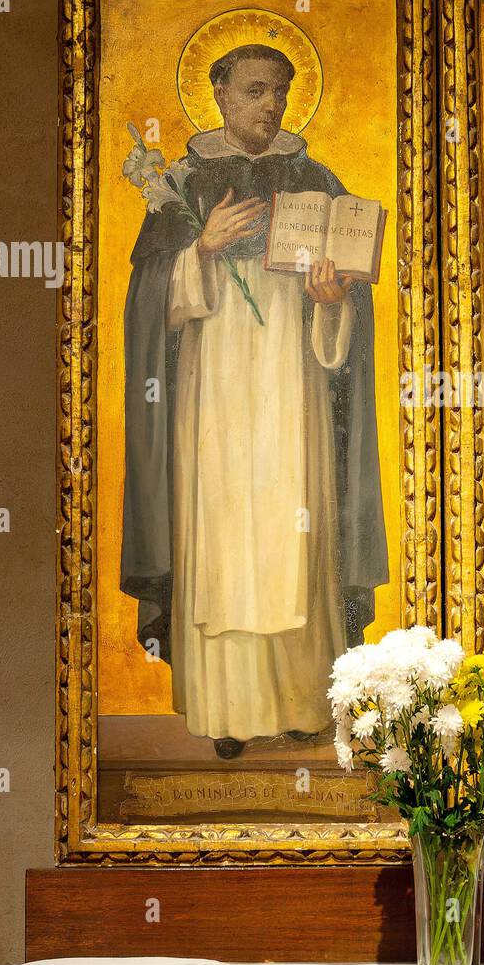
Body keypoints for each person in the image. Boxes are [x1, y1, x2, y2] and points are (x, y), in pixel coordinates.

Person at [120, 43, 387, 758]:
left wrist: (334, 300)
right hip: (214, 389)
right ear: (220, 95)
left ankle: (302, 702)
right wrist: (198, 252)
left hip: (295, 380)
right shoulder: (181, 183)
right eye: (257, 91)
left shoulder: (317, 178)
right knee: (225, 537)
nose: (271, 106)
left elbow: (349, 296)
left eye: (281, 93)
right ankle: (230, 707)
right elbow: (148, 304)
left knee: (295, 533)